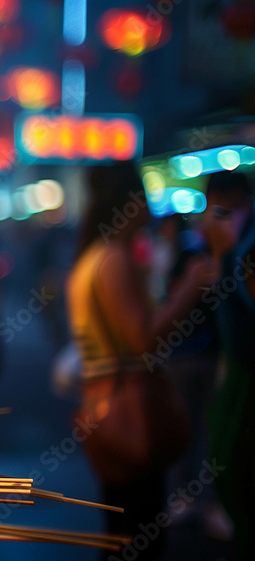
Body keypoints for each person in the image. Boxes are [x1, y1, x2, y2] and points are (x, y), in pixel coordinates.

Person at [66, 162, 214, 561]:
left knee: (122, 531)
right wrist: (189, 288)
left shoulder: (91, 259)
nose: (150, 205)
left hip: (102, 405)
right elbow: (143, 338)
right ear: (128, 201)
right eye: (144, 194)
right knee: (140, 533)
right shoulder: (114, 259)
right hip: (128, 409)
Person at [202, 170, 255, 556]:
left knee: (232, 461)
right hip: (236, 361)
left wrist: (223, 257)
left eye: (220, 209)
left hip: (245, 366)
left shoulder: (242, 248)